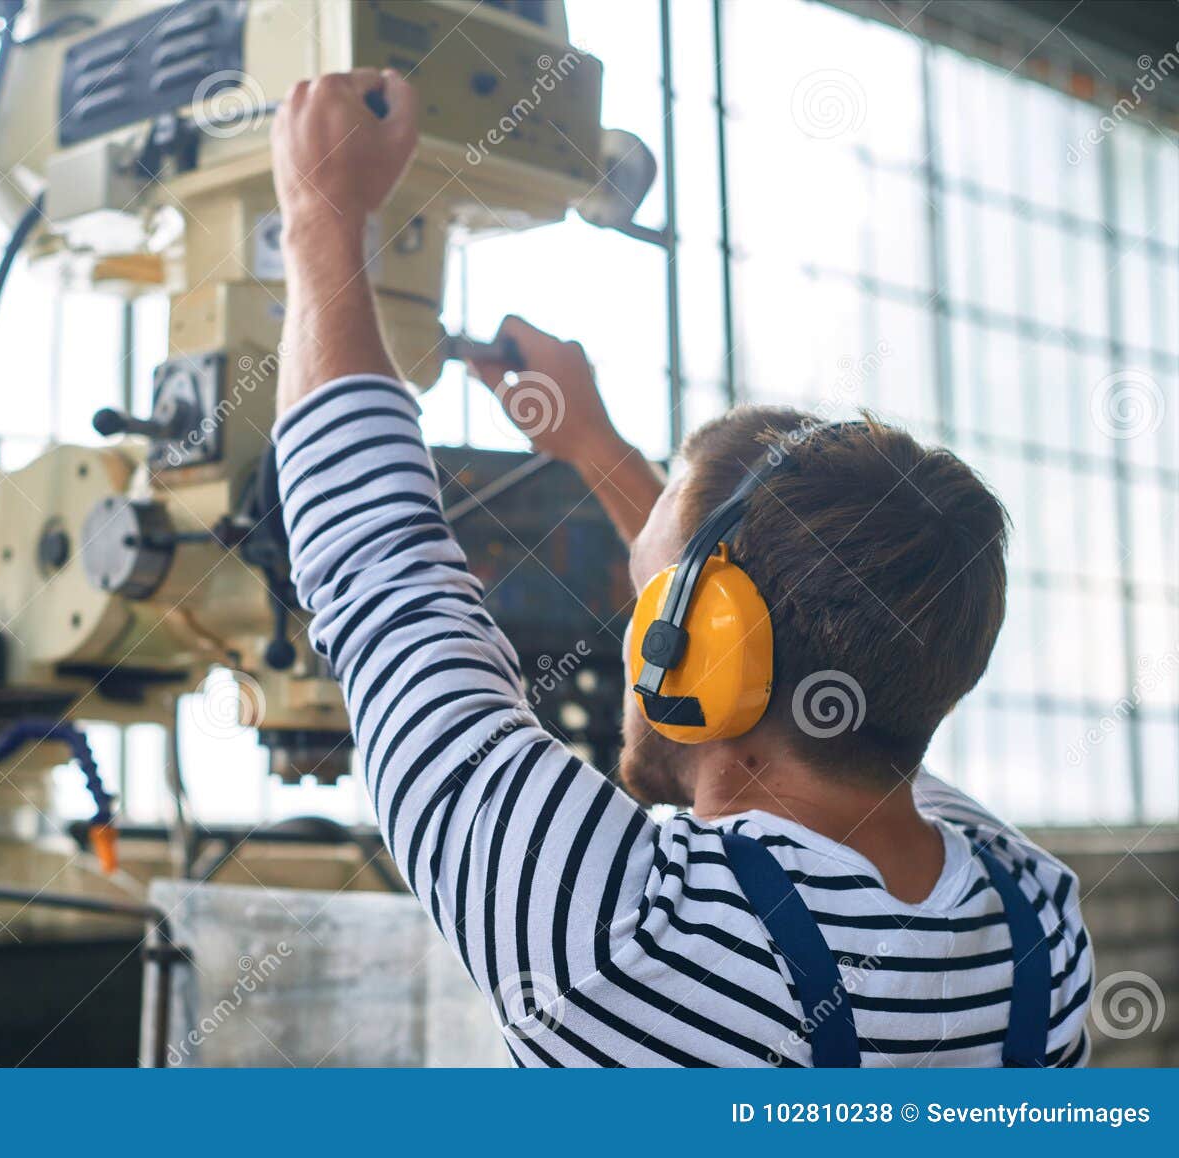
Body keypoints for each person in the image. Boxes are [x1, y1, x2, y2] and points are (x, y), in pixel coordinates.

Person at [266, 69, 1092, 1066]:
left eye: (649, 602)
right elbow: (864, 653)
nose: (635, 627)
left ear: (704, 658)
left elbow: (374, 565)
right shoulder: (1036, 924)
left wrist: (319, 212)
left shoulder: (616, 936)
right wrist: (597, 448)